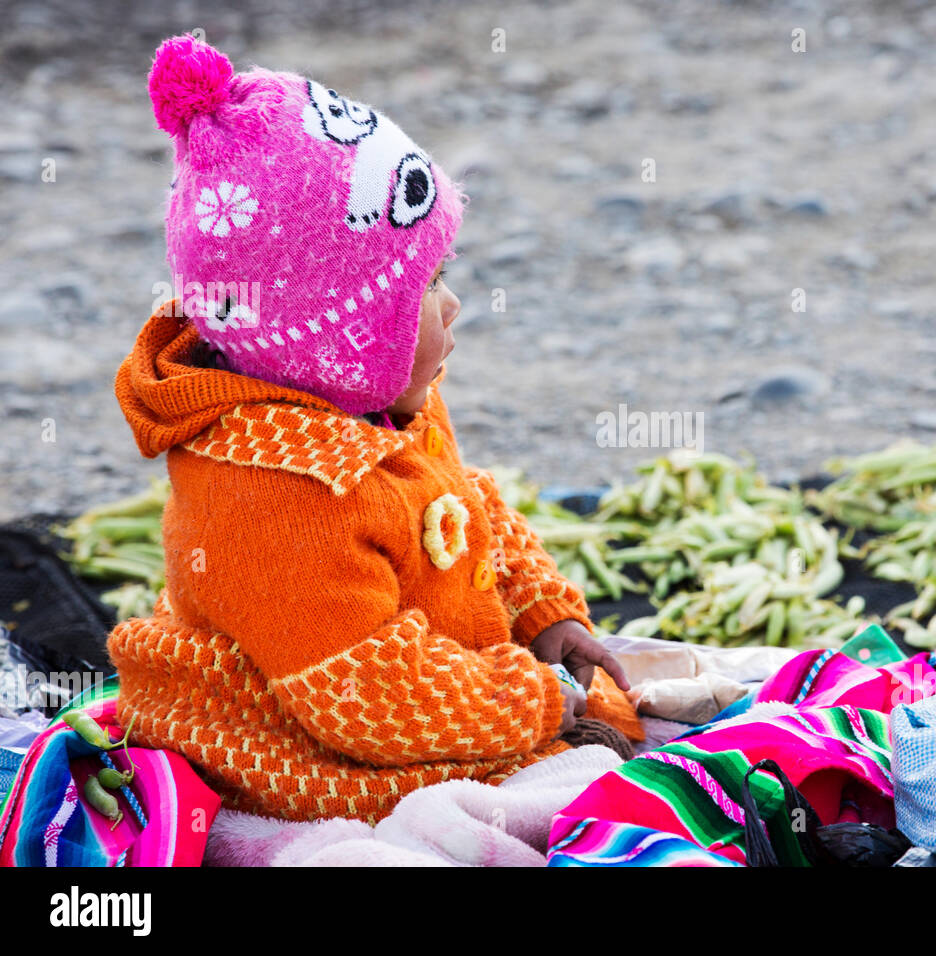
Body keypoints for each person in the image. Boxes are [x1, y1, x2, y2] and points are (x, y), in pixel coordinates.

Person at [108, 34, 640, 824]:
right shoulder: (275, 493)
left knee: (607, 746)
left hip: (433, 690)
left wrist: (543, 616)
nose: (454, 304)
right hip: (302, 740)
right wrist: (538, 699)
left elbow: (465, 512)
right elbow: (365, 693)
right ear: (334, 333)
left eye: (444, 274)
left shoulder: (380, 402)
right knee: (476, 817)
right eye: (425, 285)